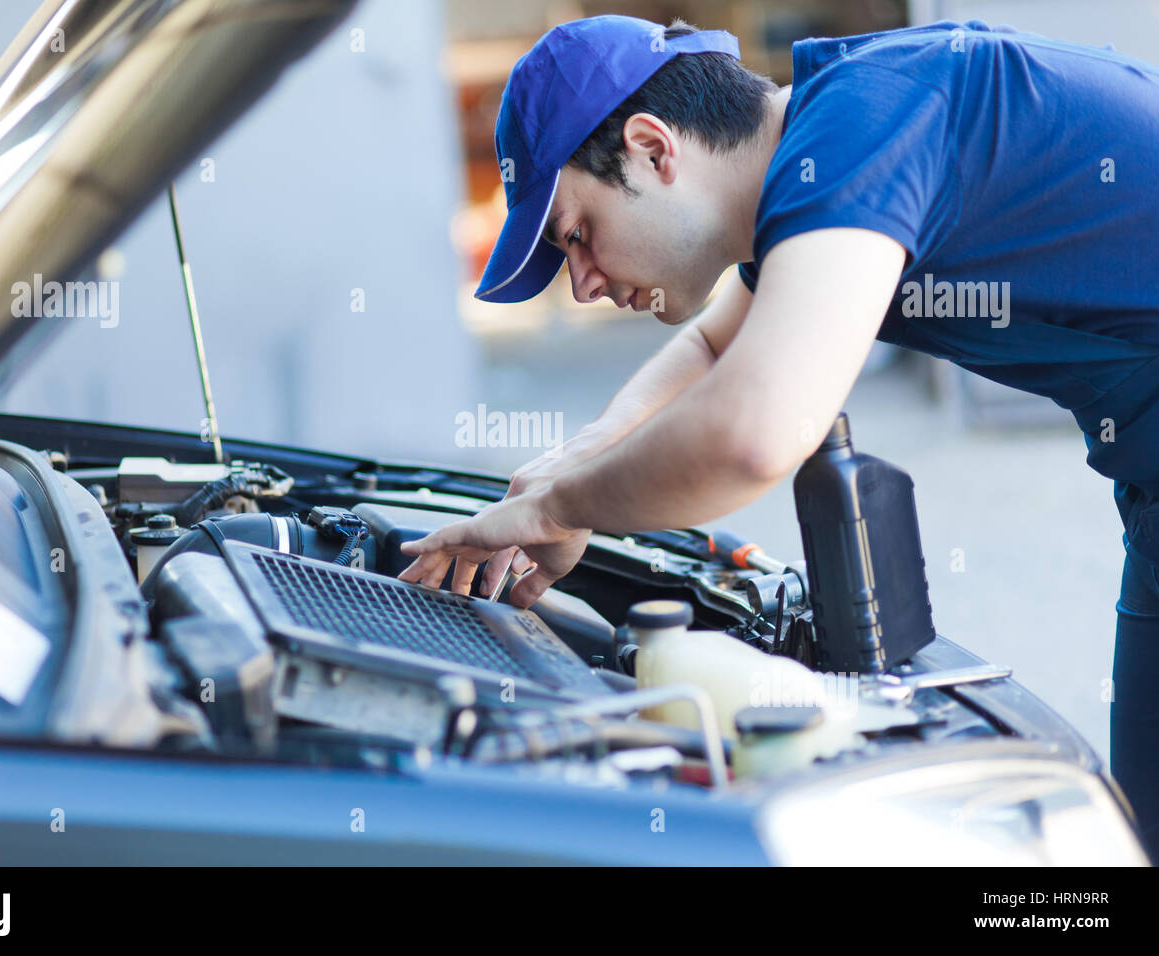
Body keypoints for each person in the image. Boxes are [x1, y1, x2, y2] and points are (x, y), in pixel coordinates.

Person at [396, 15, 1159, 857]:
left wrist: (562, 510)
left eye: (576, 236)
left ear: (654, 149)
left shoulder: (868, 121)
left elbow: (757, 433)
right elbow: (715, 346)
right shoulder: (815, 160)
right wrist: (580, 459)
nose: (582, 286)